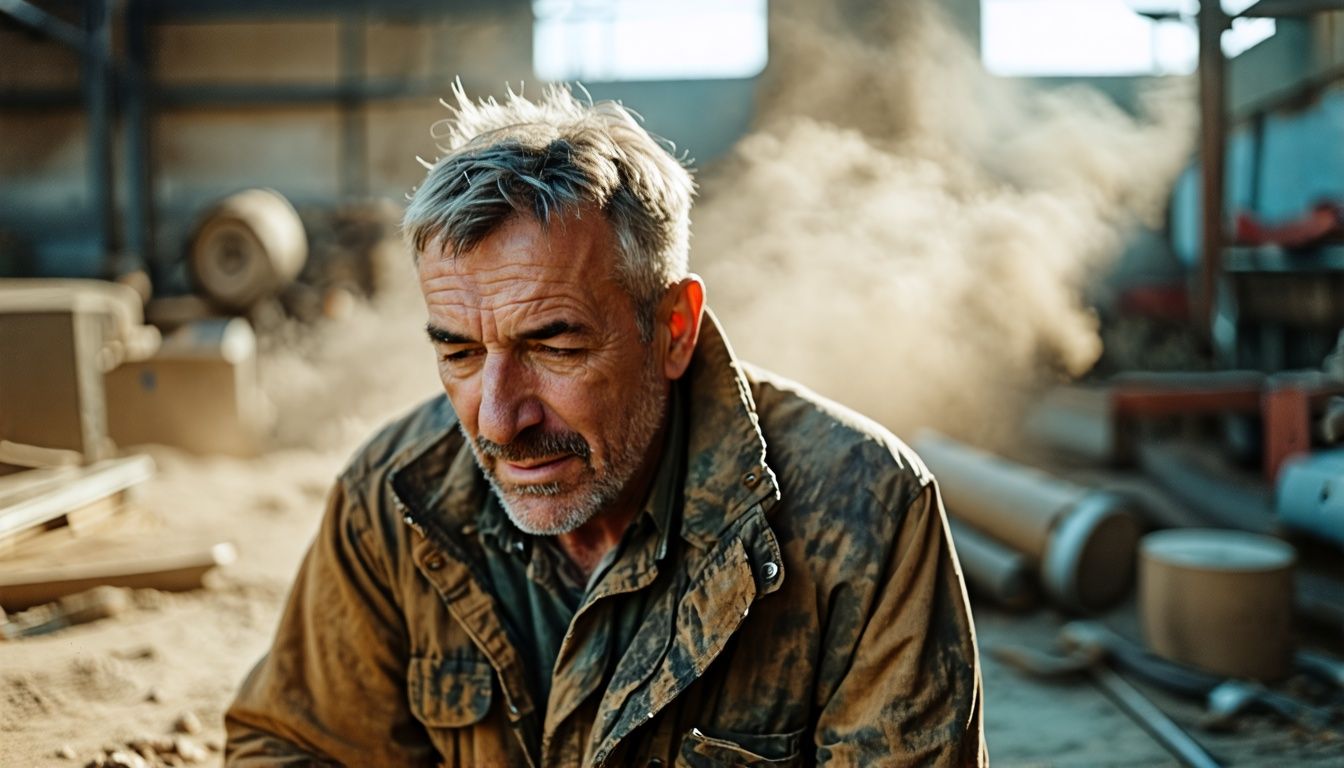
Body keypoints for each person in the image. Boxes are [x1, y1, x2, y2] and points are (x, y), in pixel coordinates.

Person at [225, 84, 987, 767]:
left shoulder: (862, 513)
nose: (498, 420)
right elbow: (292, 746)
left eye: (554, 346)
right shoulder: (396, 497)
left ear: (674, 329)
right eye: (459, 351)